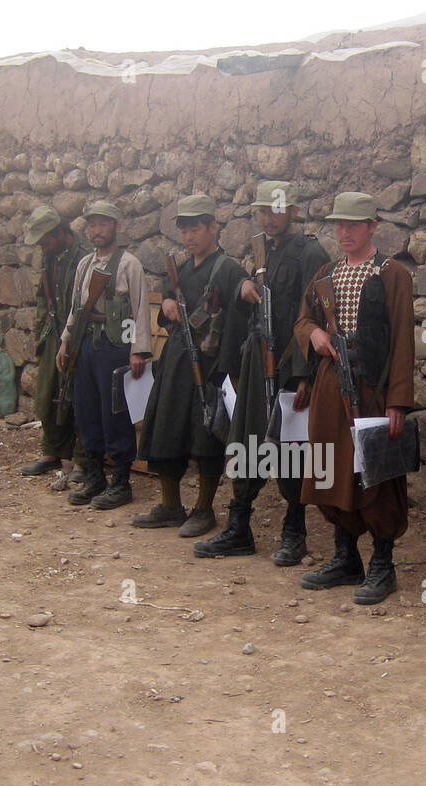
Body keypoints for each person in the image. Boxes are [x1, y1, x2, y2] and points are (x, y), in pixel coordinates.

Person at [193, 180, 329, 563]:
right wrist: (244, 290)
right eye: (264, 211)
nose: (270, 218)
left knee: (291, 450)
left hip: (289, 366)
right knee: (247, 441)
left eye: (277, 210)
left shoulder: (310, 252)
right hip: (257, 360)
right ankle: (239, 527)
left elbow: (313, 316)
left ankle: (294, 531)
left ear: (294, 212)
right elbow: (248, 309)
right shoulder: (262, 251)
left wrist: (305, 374)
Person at [293, 191, 415, 605]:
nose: (344, 232)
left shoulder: (393, 273)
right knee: (329, 465)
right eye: (339, 225)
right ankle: (345, 556)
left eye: (353, 225)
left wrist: (398, 400)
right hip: (331, 385)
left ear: (372, 227)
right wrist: (314, 334)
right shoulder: (327, 272)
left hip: (373, 386)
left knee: (374, 472)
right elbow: (304, 317)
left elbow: (402, 339)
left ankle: (383, 562)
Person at [135, 195, 247, 538]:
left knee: (206, 437)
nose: (189, 237)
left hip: (211, 367)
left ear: (213, 228)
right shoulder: (182, 268)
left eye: (195, 229)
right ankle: (170, 506)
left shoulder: (227, 270)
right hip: (177, 364)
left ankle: (203, 509)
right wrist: (167, 301)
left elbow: (238, 320)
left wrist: (225, 370)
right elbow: (169, 296)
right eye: (184, 230)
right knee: (166, 429)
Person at [56, 200, 151, 510]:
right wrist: (65, 342)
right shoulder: (84, 264)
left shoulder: (129, 264)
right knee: (87, 410)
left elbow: (140, 309)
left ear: (116, 227)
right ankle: (95, 475)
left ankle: (121, 482)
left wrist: (138, 351)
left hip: (115, 346)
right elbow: (76, 309)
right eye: (92, 225)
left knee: (116, 412)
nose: (97, 230)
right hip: (86, 343)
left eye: (103, 224)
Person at [20, 205, 90, 487]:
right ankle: (52, 452)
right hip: (53, 333)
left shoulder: (84, 260)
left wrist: (73, 337)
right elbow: (42, 297)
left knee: (78, 397)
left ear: (61, 233)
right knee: (47, 392)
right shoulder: (48, 258)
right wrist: (42, 331)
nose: (42, 246)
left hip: (78, 335)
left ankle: (82, 461)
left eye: (45, 240)